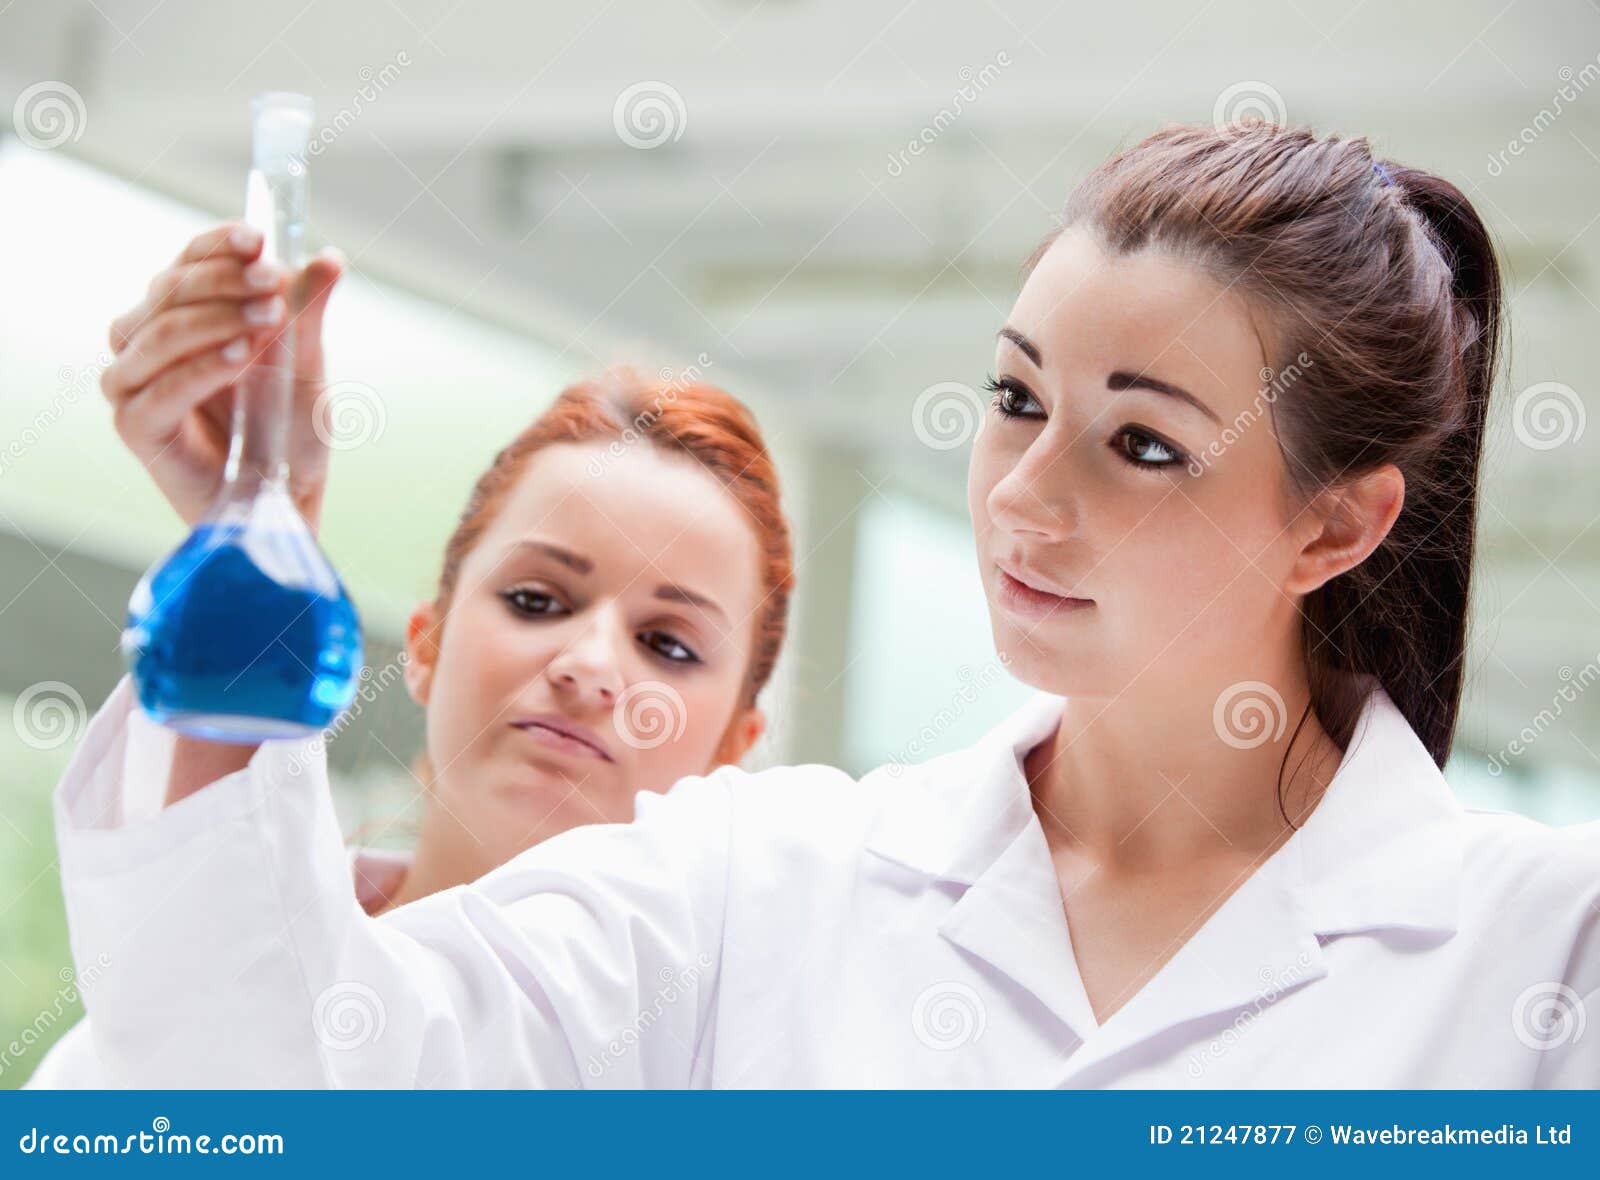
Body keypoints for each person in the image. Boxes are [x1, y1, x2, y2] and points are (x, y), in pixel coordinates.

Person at [50, 122, 1600, 1087]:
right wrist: (252, 548)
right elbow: (264, 1087)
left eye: (1142, 444)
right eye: (1013, 396)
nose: (1025, 495)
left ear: (1336, 523)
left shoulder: (1542, 963)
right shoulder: (761, 890)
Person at [25, 226, 794, 1087]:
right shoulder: (117, 1063)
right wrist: (254, 532)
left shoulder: (743, 1074)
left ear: (736, 746)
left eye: (669, 644)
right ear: (424, 646)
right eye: (536, 600)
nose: (590, 664)